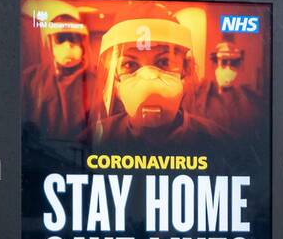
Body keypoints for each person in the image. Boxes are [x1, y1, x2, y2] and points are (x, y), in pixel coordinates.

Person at [90, 18, 229, 146]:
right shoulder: (95, 138)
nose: (149, 77)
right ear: (115, 79)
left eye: (164, 62)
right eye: (129, 64)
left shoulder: (219, 142)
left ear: (185, 70)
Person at [21, 0, 98, 141]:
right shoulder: (29, 79)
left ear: (83, 42)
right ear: (50, 42)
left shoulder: (98, 82)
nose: (67, 45)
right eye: (60, 39)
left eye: (73, 38)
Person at [185, 41, 262, 136]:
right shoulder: (198, 95)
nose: (228, 69)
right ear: (214, 65)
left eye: (233, 64)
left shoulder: (248, 99)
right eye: (224, 62)